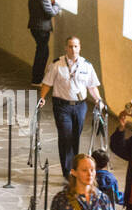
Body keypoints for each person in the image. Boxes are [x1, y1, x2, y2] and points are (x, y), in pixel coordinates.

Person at [38, 36, 105, 179]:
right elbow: (47, 83)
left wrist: (98, 100)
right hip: (62, 105)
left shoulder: (87, 65)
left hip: (80, 106)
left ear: (80, 47)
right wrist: (42, 98)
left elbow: (92, 86)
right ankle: (67, 170)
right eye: (70, 46)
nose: (73, 49)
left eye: (75, 46)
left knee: (75, 136)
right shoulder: (57, 64)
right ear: (65, 48)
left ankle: (75, 167)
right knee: (65, 135)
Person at [27, 0, 60, 87]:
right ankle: (37, 80)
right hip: (42, 29)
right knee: (42, 53)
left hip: (35, 27)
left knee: (41, 52)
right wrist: (56, 5)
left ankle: (36, 78)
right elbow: (50, 12)